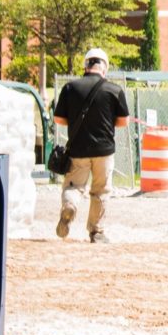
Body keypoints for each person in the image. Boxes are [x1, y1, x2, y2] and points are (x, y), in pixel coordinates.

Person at [54, 47, 130, 244]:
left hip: (78, 150)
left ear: (86, 66)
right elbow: (124, 122)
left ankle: (70, 205)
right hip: (104, 151)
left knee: (74, 185)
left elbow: (59, 119)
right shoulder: (114, 90)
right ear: (104, 68)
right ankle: (96, 232)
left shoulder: (70, 88)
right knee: (101, 190)